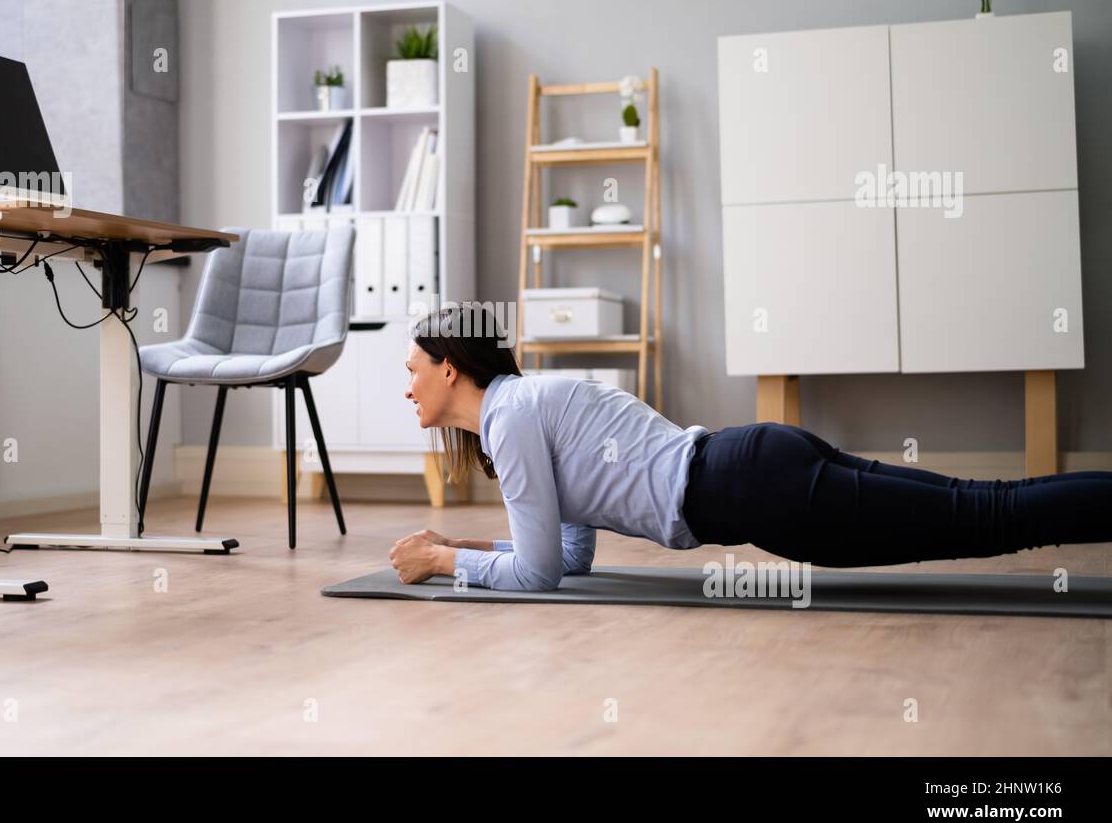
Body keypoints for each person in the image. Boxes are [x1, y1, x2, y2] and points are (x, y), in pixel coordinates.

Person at [387, 306, 1112, 591]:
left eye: (413, 370)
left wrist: (446, 562)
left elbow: (538, 576)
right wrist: (463, 541)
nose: (409, 388)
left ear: (451, 368)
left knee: (984, 518)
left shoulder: (511, 419)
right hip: (757, 464)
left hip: (756, 490)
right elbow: (569, 555)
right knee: (983, 507)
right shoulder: (523, 408)